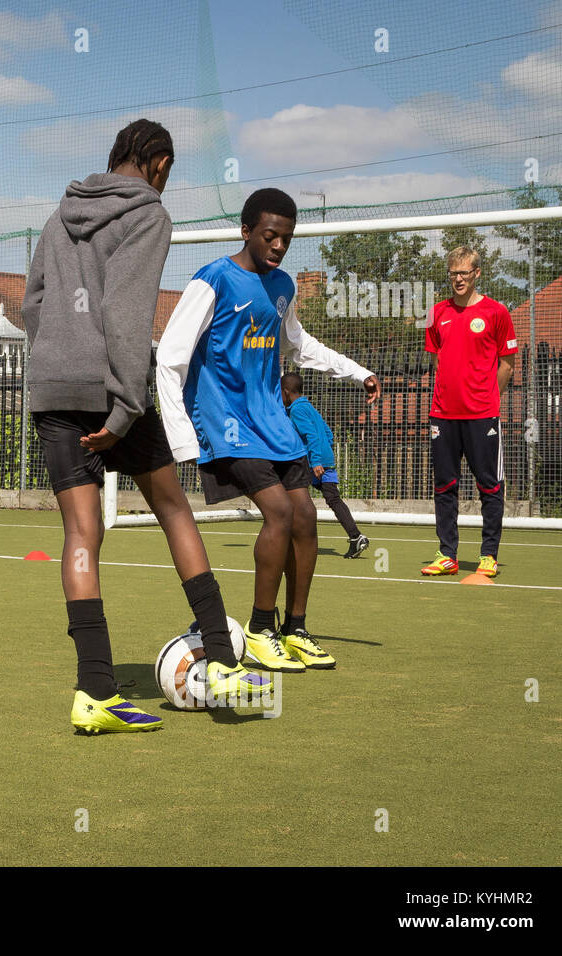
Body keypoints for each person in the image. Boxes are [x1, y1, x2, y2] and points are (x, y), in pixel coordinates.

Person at [23, 118, 271, 735]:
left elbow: (33, 303)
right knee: (174, 510)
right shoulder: (149, 214)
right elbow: (126, 315)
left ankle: (95, 692)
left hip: (52, 387)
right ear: (157, 162)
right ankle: (219, 659)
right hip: (114, 392)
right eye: (172, 167)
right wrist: (125, 408)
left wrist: (61, 357)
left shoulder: (60, 214)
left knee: (82, 533)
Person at [158, 187, 380, 673]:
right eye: (269, 235)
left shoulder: (283, 288)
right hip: (228, 423)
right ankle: (260, 629)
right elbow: (169, 358)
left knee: (305, 516)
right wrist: (181, 438)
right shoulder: (212, 280)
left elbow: (300, 346)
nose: (278, 245)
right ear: (247, 231)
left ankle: (295, 628)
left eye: (286, 238)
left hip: (273, 423)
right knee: (279, 510)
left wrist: (357, 371)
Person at [421, 246, 516, 578]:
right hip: (443, 415)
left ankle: (488, 554)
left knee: (489, 485)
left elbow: (507, 364)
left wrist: (488, 396)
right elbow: (437, 360)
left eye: (463, 273)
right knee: (444, 485)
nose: (457, 279)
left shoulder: (496, 312)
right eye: (452, 273)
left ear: (477, 273)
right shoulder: (436, 313)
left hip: (482, 415)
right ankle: (447, 554)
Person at [280, 371, 369, 558]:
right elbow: (327, 432)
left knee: (289, 496)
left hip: (313, 462)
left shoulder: (296, 410)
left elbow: (310, 435)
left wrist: (316, 460)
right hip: (326, 458)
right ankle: (356, 537)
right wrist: (325, 454)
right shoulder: (309, 407)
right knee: (334, 499)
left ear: (286, 392)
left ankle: (293, 540)